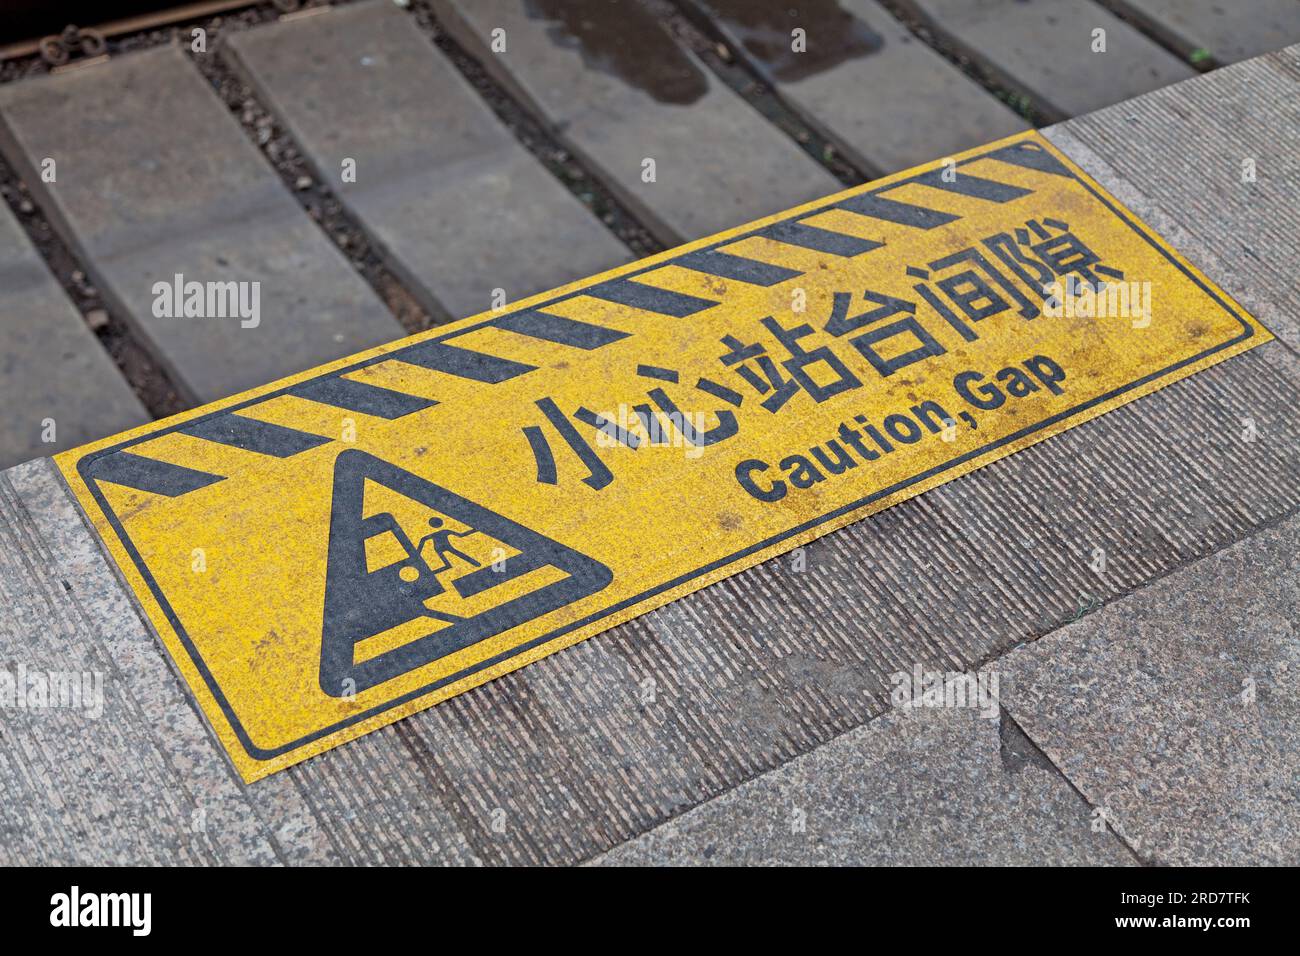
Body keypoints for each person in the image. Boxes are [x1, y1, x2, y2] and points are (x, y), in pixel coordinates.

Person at [415, 517, 481, 574]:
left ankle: (476, 564)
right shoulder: (444, 531)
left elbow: (423, 540)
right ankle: (476, 563)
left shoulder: (440, 532)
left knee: (447, 564)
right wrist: (474, 530)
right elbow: (461, 535)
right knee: (458, 555)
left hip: (439, 548)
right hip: (445, 546)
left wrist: (417, 553)